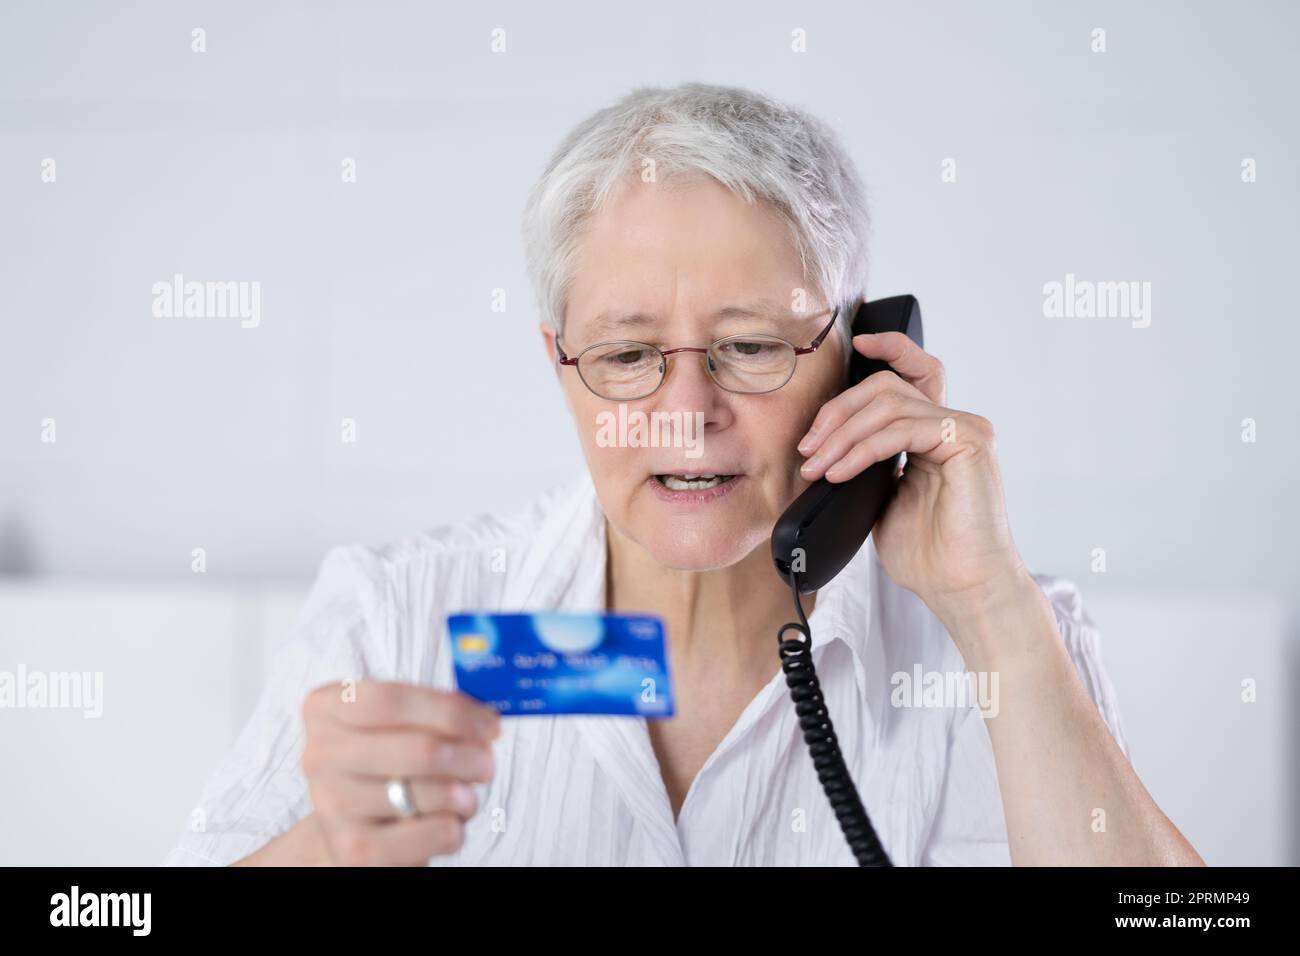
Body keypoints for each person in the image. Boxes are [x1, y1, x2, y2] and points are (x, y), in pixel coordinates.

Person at [163, 82, 1202, 866]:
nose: (686, 412)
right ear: (560, 364)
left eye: (750, 346)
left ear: (863, 357)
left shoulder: (1003, 638)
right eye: (625, 355)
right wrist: (326, 851)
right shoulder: (398, 619)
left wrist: (993, 611)